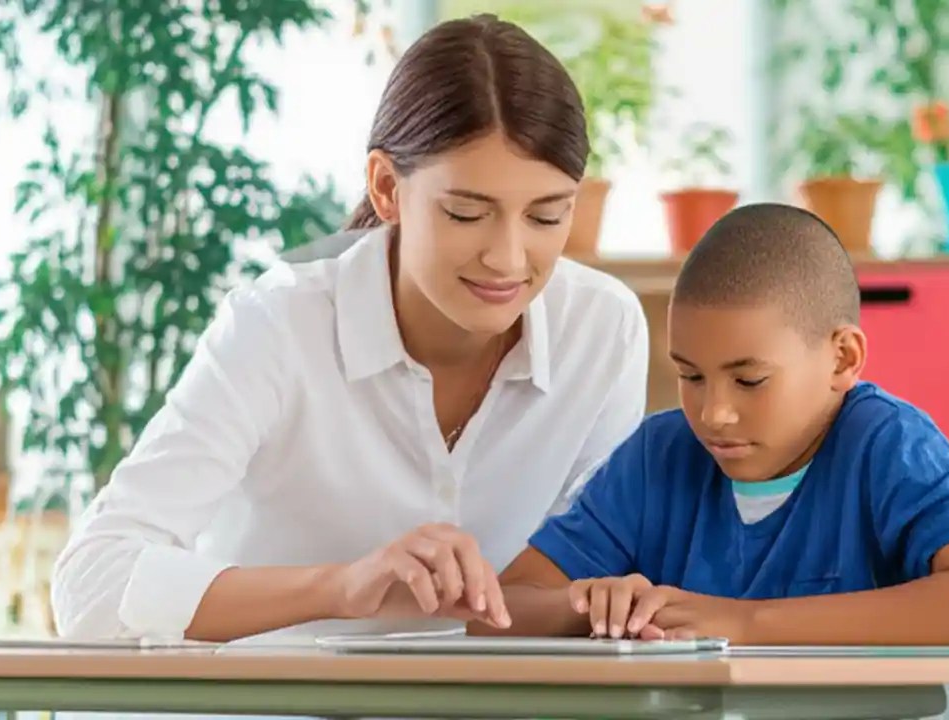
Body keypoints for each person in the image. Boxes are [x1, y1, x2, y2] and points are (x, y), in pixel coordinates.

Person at [51, 14, 649, 643]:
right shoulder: (280, 323)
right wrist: (344, 588)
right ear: (387, 188)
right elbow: (90, 584)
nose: (507, 257)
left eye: (546, 217)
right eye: (467, 214)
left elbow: (581, 584)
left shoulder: (602, 332)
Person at [478, 203, 949, 647]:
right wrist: (588, 602)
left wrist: (744, 622)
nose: (713, 413)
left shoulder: (883, 444)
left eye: (749, 381)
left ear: (843, 359)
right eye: (691, 376)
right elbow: (499, 614)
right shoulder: (659, 457)